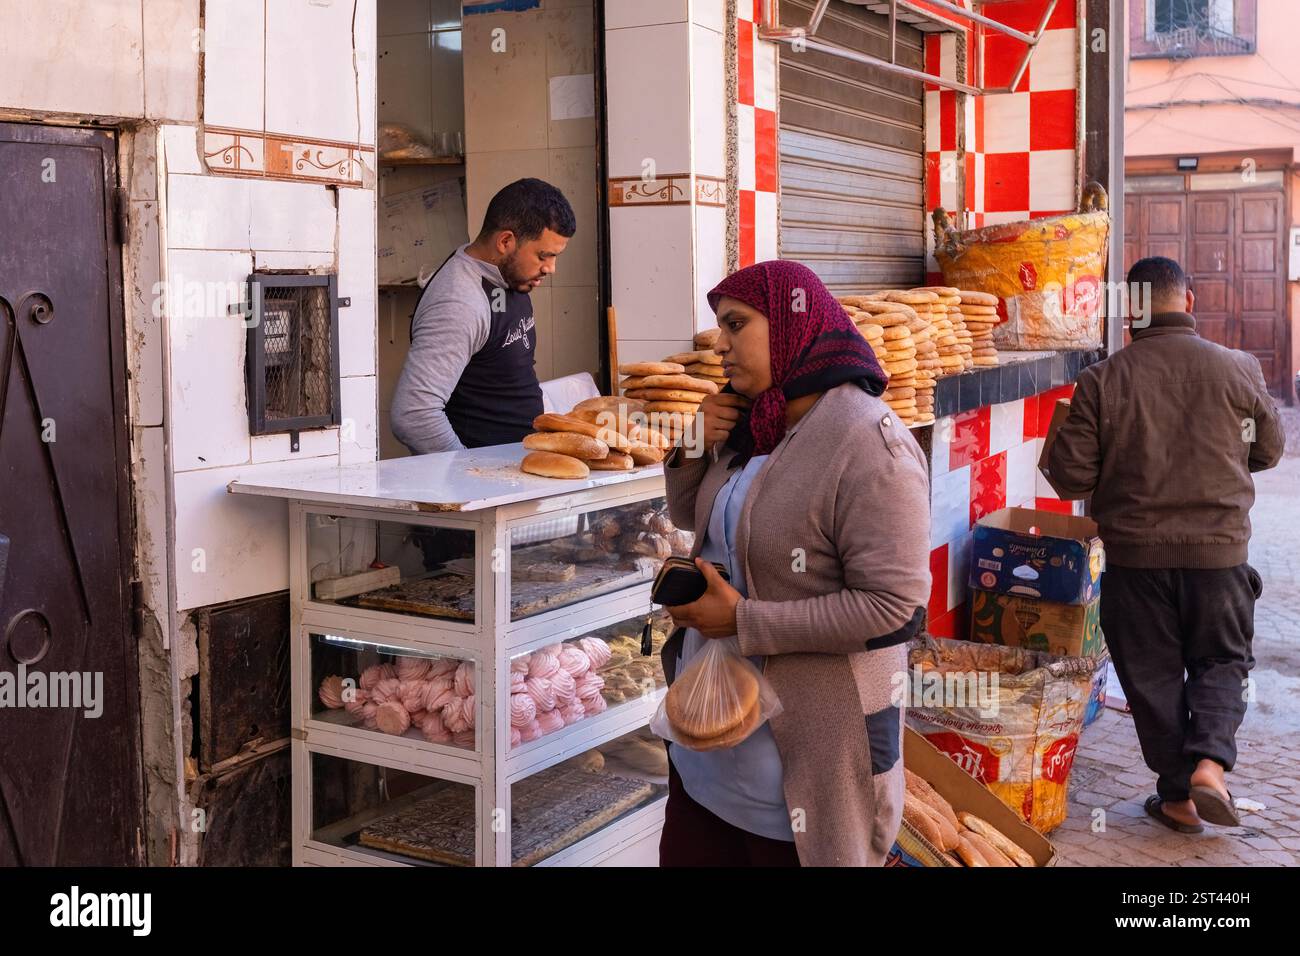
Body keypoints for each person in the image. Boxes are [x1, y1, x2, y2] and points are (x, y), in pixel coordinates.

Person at [657, 260, 932, 866]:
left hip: (805, 765)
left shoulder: (868, 444)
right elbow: (688, 517)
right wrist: (694, 445)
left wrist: (747, 622)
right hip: (710, 742)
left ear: (790, 326)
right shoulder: (756, 421)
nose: (720, 344)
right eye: (718, 327)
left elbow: (895, 609)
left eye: (736, 324)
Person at [1047, 255, 1284, 833]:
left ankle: (1178, 796)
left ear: (1131, 311)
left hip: (1135, 560)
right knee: (1222, 662)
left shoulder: (1103, 381)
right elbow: (1269, 450)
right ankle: (1208, 765)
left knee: (1151, 677)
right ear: (1190, 302)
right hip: (1219, 558)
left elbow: (1070, 477)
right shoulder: (1239, 370)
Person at [390, 177, 576, 453]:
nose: (551, 268)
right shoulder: (459, 300)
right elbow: (414, 414)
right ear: (505, 241)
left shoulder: (509, 276)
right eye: (543, 256)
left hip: (515, 471)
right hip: (483, 484)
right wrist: (468, 474)